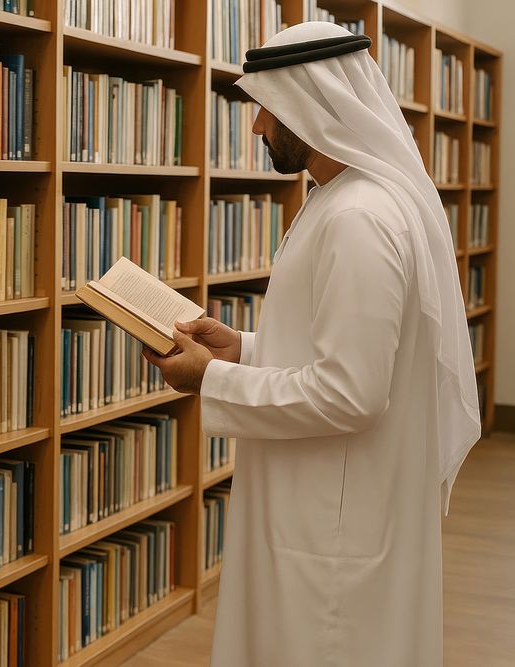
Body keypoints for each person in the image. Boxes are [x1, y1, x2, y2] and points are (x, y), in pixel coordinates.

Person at [142, 22, 481, 667]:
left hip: (333, 530)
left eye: (267, 107)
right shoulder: (348, 200)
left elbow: (350, 394)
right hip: (330, 507)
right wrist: (240, 347)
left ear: (308, 105)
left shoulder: (358, 218)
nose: (257, 126)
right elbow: (342, 346)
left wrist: (208, 379)